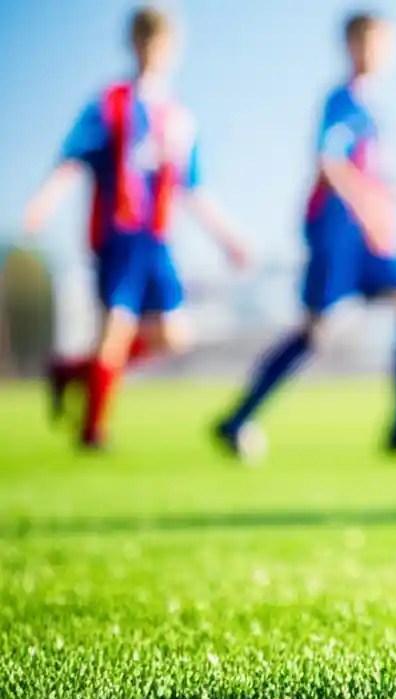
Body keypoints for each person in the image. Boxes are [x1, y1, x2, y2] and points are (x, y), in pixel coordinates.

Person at [215, 11, 396, 460]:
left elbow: (383, 179)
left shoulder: (373, 112)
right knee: (316, 334)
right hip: (339, 231)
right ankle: (238, 417)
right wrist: (367, 212)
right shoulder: (340, 101)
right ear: (350, 46)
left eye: (383, 44)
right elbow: (329, 162)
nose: (376, 52)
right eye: (367, 42)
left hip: (372, 236)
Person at [23, 6, 249, 451]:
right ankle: (93, 432)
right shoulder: (110, 102)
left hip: (158, 237)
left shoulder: (179, 118)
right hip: (118, 234)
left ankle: (72, 372)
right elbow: (72, 158)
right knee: (116, 329)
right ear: (133, 44)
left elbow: (193, 187)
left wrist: (228, 237)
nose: (154, 52)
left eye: (161, 44)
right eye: (146, 41)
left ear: (174, 49)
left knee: (174, 333)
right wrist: (41, 203)